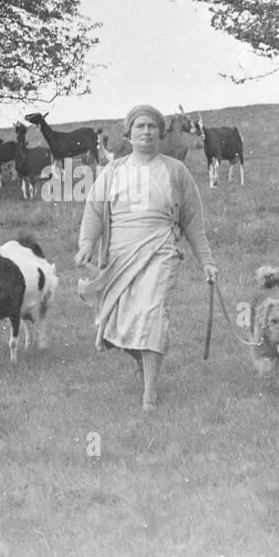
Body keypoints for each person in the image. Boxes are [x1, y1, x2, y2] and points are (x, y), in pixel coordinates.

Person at [74, 104, 219, 412]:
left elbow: (193, 220)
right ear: (129, 132)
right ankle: (141, 361)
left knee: (151, 315)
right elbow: (94, 211)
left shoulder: (175, 171)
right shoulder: (113, 171)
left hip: (160, 250)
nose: (146, 131)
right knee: (115, 322)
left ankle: (150, 395)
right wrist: (87, 243)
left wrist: (206, 260)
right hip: (119, 255)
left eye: (152, 126)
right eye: (139, 126)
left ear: (160, 132)